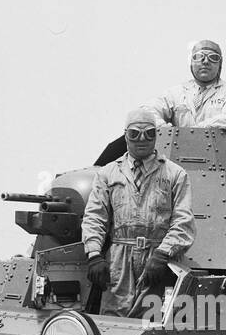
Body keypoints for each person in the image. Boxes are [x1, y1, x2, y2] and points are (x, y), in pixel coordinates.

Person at [81, 108, 195, 317]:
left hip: (159, 260)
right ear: (125, 135)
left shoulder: (175, 174)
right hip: (118, 261)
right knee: (114, 322)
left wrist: (162, 255)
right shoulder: (107, 173)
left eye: (149, 133)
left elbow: (183, 221)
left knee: (155, 324)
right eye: (134, 133)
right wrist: (94, 255)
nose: (142, 139)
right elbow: (95, 217)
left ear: (156, 135)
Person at [142, 39, 226, 131]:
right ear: (191, 62)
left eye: (213, 57)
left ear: (220, 64)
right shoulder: (175, 93)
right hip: (180, 151)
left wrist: (195, 131)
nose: (205, 61)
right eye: (199, 56)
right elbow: (146, 111)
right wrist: (163, 127)